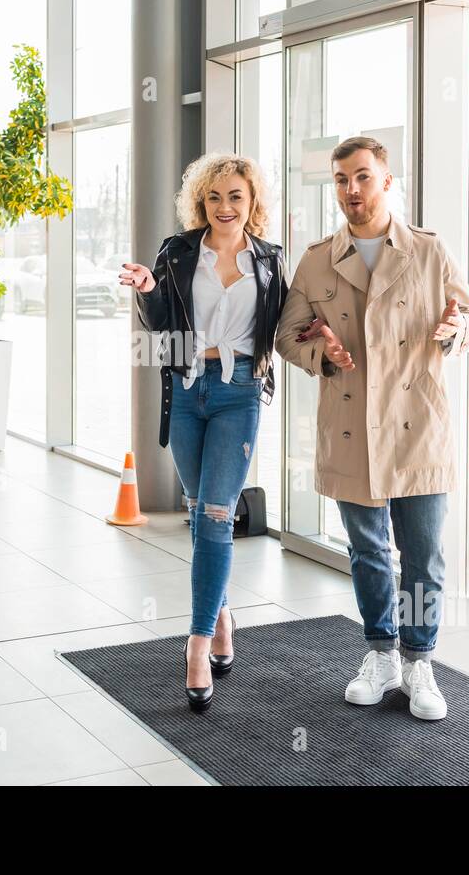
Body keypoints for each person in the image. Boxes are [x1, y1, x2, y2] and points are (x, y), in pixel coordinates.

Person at [275, 136, 469, 721]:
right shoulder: (317, 259)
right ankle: (381, 655)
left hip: (419, 425)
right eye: (341, 180)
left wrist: (455, 333)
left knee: (422, 556)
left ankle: (420, 662)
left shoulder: (428, 252)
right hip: (349, 426)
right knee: (368, 553)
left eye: (363, 178)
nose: (351, 191)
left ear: (387, 181)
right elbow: (285, 337)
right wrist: (320, 351)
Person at [121, 153, 288, 713]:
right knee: (199, 513)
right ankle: (221, 620)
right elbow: (160, 323)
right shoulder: (178, 251)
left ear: (252, 201)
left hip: (240, 391)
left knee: (217, 514)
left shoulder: (269, 260)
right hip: (188, 393)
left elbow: (286, 324)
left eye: (235, 196)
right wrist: (147, 288)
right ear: (201, 202)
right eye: (214, 197)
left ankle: (195, 646)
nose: (224, 207)